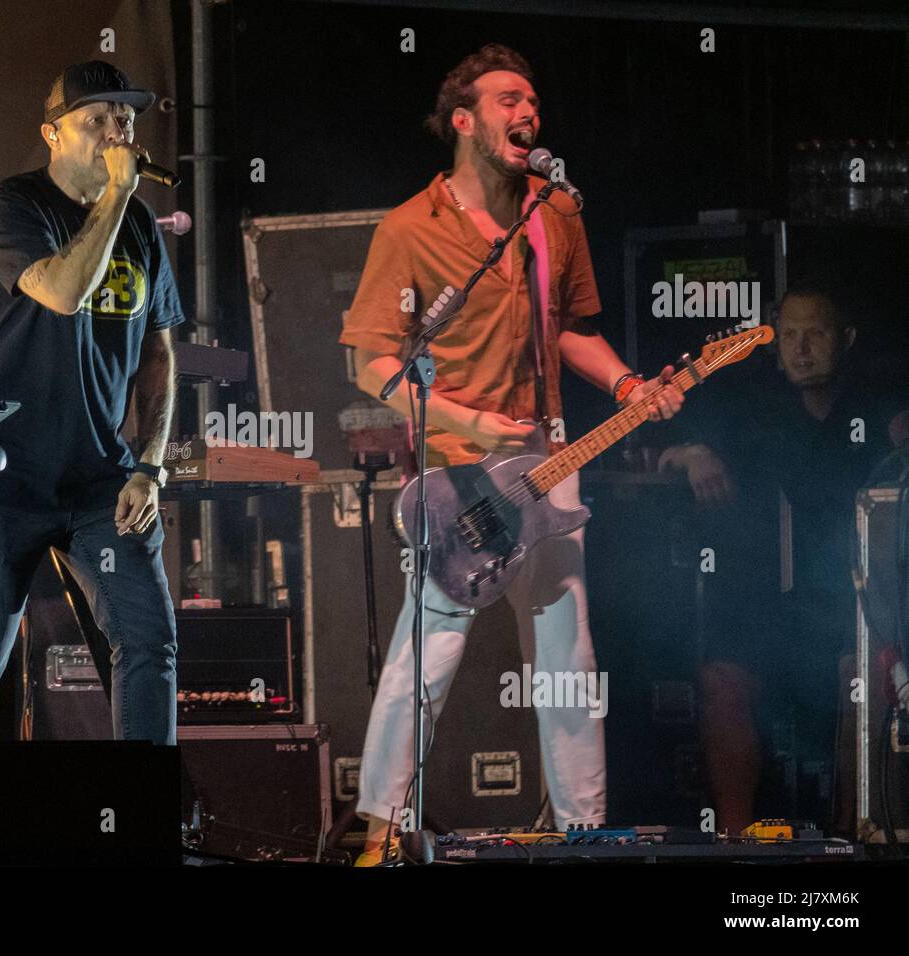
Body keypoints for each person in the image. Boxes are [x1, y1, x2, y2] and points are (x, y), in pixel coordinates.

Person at [339, 44, 683, 862]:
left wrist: (631, 385)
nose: (527, 113)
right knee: (429, 650)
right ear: (464, 120)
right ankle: (383, 830)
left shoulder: (554, 212)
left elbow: (570, 329)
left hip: (551, 460)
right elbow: (372, 361)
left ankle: (584, 831)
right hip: (461, 470)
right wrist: (467, 418)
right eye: (508, 101)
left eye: (533, 101)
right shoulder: (409, 228)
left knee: (569, 657)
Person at [0, 60, 185, 744]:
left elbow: (159, 354)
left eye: (125, 119)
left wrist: (149, 466)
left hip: (97, 478)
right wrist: (116, 197)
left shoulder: (142, 229)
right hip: (1, 477)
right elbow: (63, 293)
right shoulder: (12, 206)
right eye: (96, 120)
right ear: (52, 135)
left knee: (149, 639)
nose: (116, 133)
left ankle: (142, 822)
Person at [659, 279, 909, 833]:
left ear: (844, 338)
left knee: (861, 671)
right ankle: (734, 840)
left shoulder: (876, 404)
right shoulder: (750, 405)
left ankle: (852, 836)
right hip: (767, 610)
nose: (800, 348)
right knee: (722, 677)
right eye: (789, 334)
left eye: (814, 333)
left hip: (848, 611)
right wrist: (694, 453)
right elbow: (666, 453)